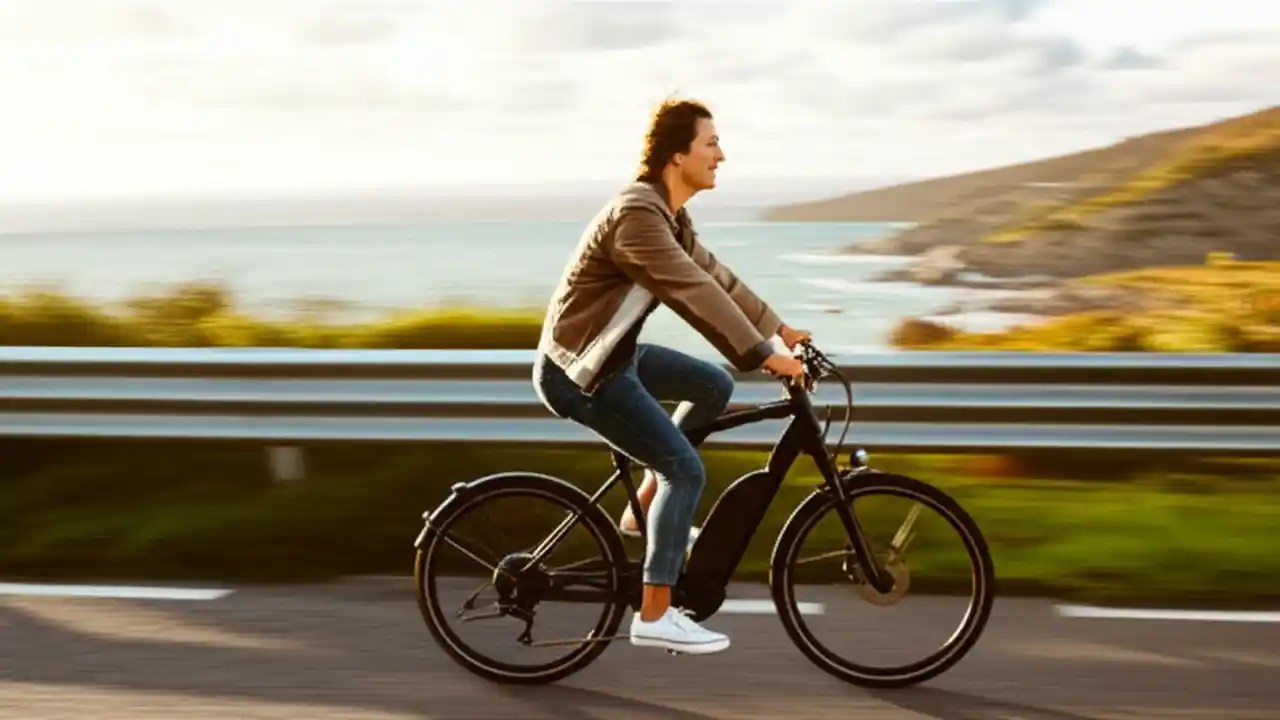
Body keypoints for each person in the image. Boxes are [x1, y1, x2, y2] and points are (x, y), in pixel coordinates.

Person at [532, 97, 810, 655]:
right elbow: (693, 292)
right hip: (579, 371)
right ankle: (655, 614)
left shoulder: (670, 217)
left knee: (714, 385)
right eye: (711, 144)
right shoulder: (636, 219)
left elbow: (719, 278)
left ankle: (646, 511)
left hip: (614, 355)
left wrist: (781, 328)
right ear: (676, 154)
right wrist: (762, 354)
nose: (721, 155)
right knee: (686, 470)